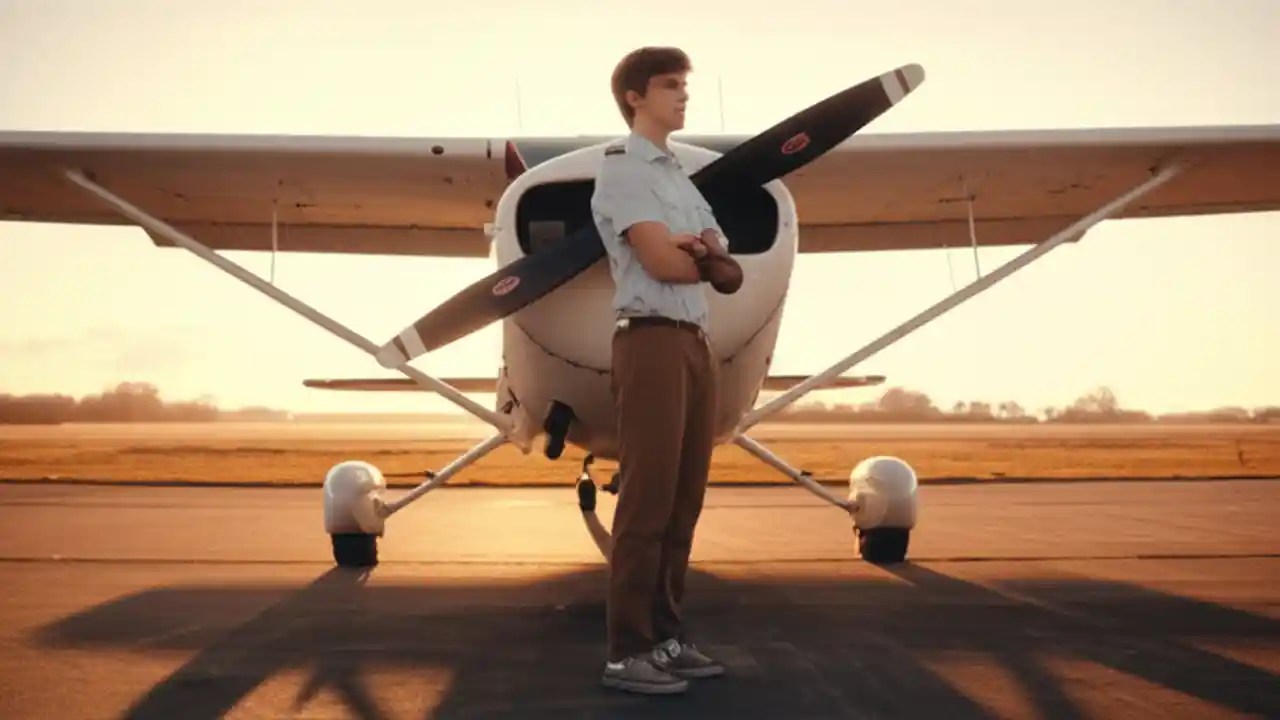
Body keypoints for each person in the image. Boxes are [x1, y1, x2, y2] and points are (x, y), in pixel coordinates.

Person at [589, 46, 744, 696]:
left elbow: (727, 268)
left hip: (695, 341)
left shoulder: (679, 180)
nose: (684, 95)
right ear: (634, 97)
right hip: (650, 339)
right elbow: (664, 262)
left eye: (686, 84)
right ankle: (628, 651)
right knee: (647, 503)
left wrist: (703, 255)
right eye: (669, 85)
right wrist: (700, 255)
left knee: (685, 501)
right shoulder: (624, 171)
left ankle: (667, 636)